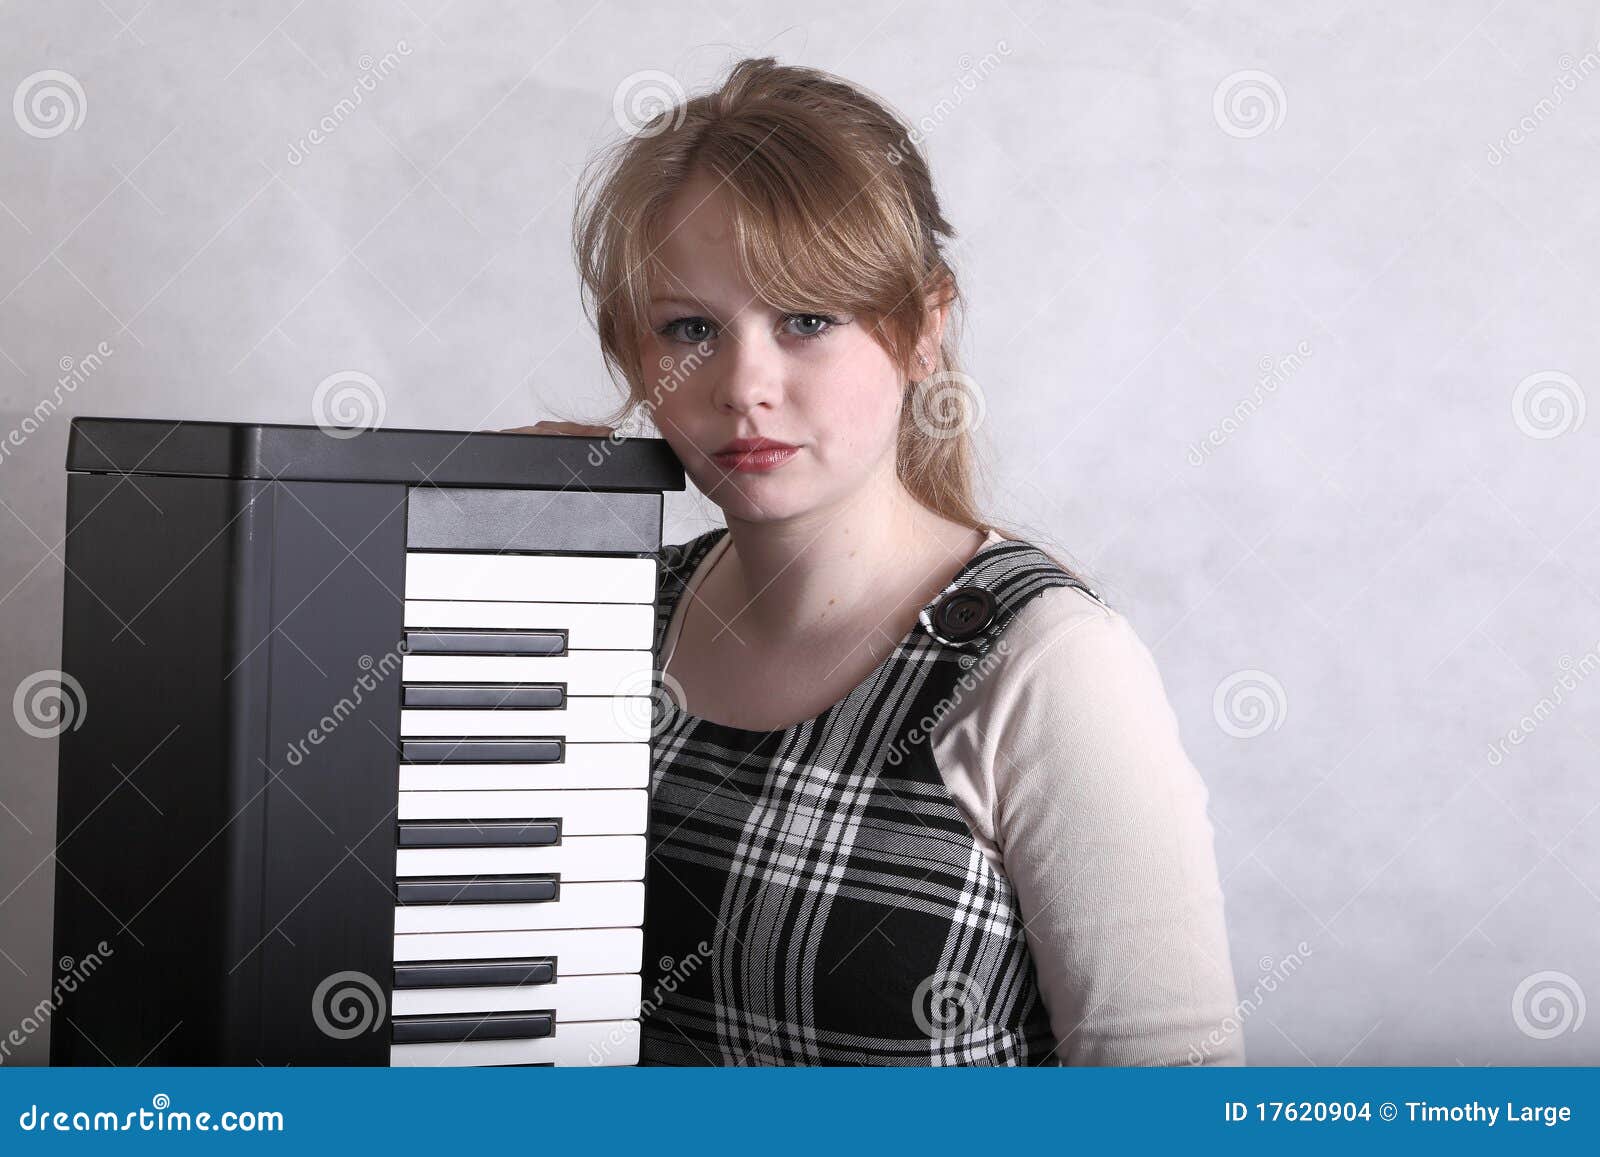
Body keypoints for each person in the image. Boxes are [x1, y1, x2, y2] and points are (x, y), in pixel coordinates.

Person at [509, 56, 1244, 1066]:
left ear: (923, 327)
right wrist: (488, 556)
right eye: (691, 329)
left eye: (806, 320)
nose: (744, 384)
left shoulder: (1047, 668)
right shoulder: (613, 616)